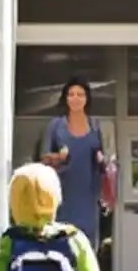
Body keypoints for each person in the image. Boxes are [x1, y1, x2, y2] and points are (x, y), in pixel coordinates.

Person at [36, 78, 106, 245]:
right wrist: (58, 158)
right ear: (65, 99)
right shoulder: (55, 126)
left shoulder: (95, 126)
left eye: (80, 94)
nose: (76, 98)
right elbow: (42, 160)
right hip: (61, 198)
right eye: (71, 94)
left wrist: (102, 160)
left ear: (87, 98)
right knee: (62, 244)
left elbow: (105, 162)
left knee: (87, 246)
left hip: (88, 198)